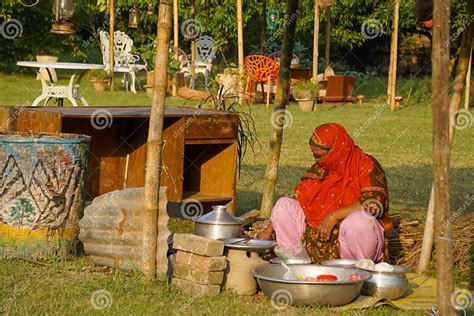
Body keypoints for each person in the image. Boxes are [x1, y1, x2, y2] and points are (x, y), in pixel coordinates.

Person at [260, 123, 392, 263]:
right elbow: (300, 198)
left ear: (336, 151)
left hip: (349, 245)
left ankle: (360, 272)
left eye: (319, 156)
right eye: (314, 155)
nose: (317, 160)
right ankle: (295, 264)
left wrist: (333, 216)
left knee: (359, 222)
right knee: (283, 205)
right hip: (312, 242)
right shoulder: (323, 167)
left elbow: (373, 204)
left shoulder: (366, 165)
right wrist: (270, 228)